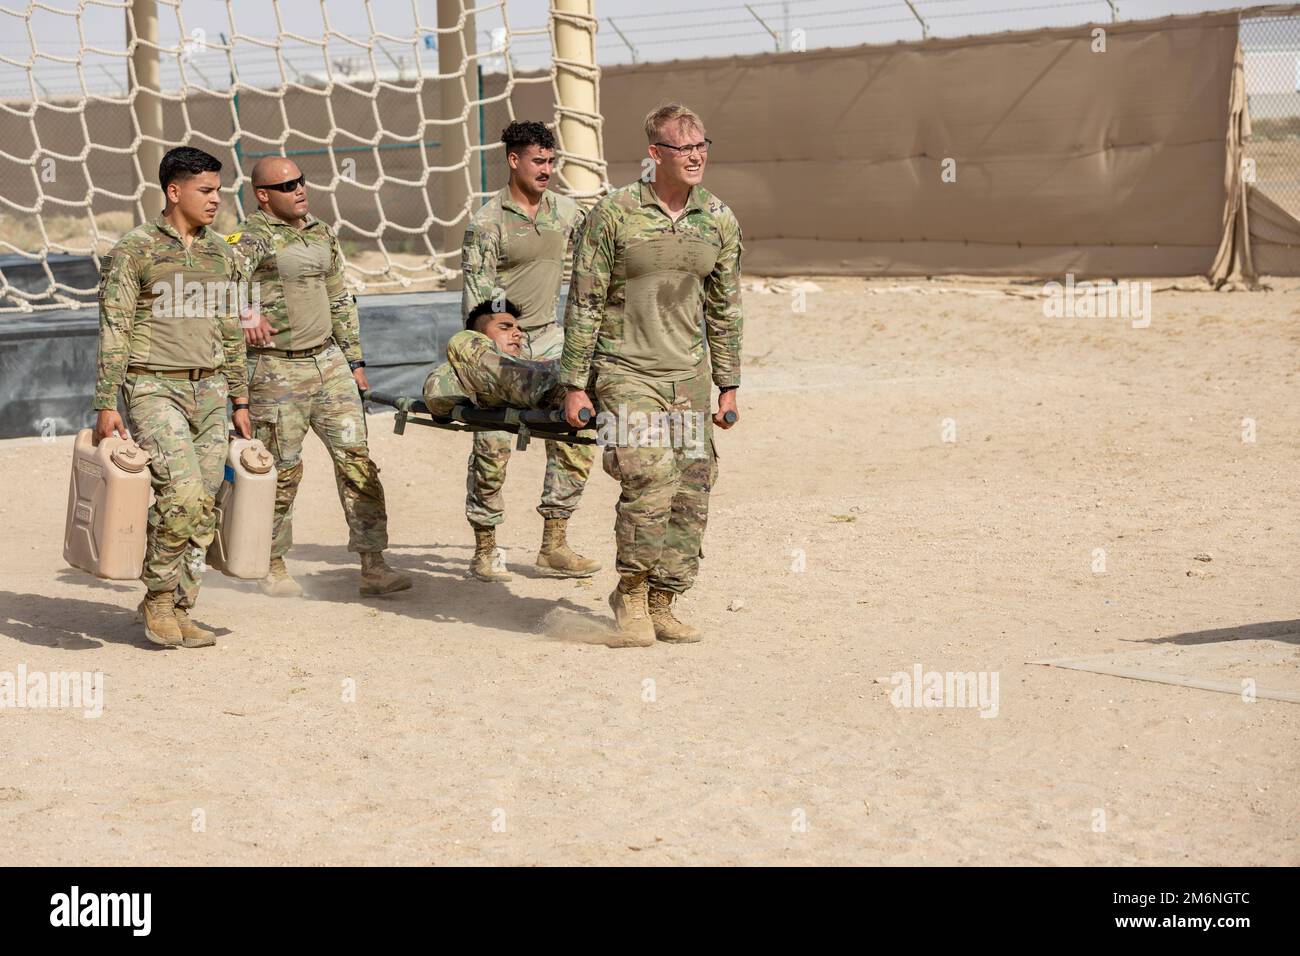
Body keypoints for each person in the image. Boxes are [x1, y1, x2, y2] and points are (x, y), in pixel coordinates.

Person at [559, 103, 743, 647]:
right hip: (624, 372)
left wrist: (728, 384)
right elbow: (584, 303)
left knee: (692, 489)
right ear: (654, 154)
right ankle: (631, 593)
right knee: (648, 476)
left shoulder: (719, 219)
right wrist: (574, 384)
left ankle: (664, 599)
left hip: (688, 379)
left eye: (701, 145)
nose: (695, 156)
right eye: (682, 148)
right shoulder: (612, 215)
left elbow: (726, 307)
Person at [227, 157, 411, 598]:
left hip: (329, 364)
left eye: (301, 181)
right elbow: (218, 281)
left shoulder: (321, 231)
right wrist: (244, 311)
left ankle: (373, 564)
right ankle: (271, 563)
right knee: (281, 471)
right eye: (287, 185)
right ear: (263, 194)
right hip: (276, 369)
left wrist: (356, 362)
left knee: (358, 463)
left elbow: (339, 298)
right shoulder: (248, 237)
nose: (299, 189)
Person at [93, 146, 251, 648]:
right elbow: (114, 328)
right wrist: (105, 402)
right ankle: (158, 599)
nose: (215, 200)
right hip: (152, 385)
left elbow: (230, 329)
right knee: (180, 495)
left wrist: (240, 401)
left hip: (211, 388)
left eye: (219, 191)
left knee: (204, 502)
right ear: (173, 191)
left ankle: (182, 606)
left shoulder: (221, 252)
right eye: (205, 191)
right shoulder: (133, 249)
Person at [459, 120, 597, 582]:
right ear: (513, 160)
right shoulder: (487, 222)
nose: (547, 169)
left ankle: (554, 544)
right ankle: (485, 547)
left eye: (551, 160)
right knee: (492, 443)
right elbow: (478, 297)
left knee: (575, 431)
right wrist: (497, 339)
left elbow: (596, 263)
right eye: (538, 160)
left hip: (554, 337)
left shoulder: (567, 213)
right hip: (505, 342)